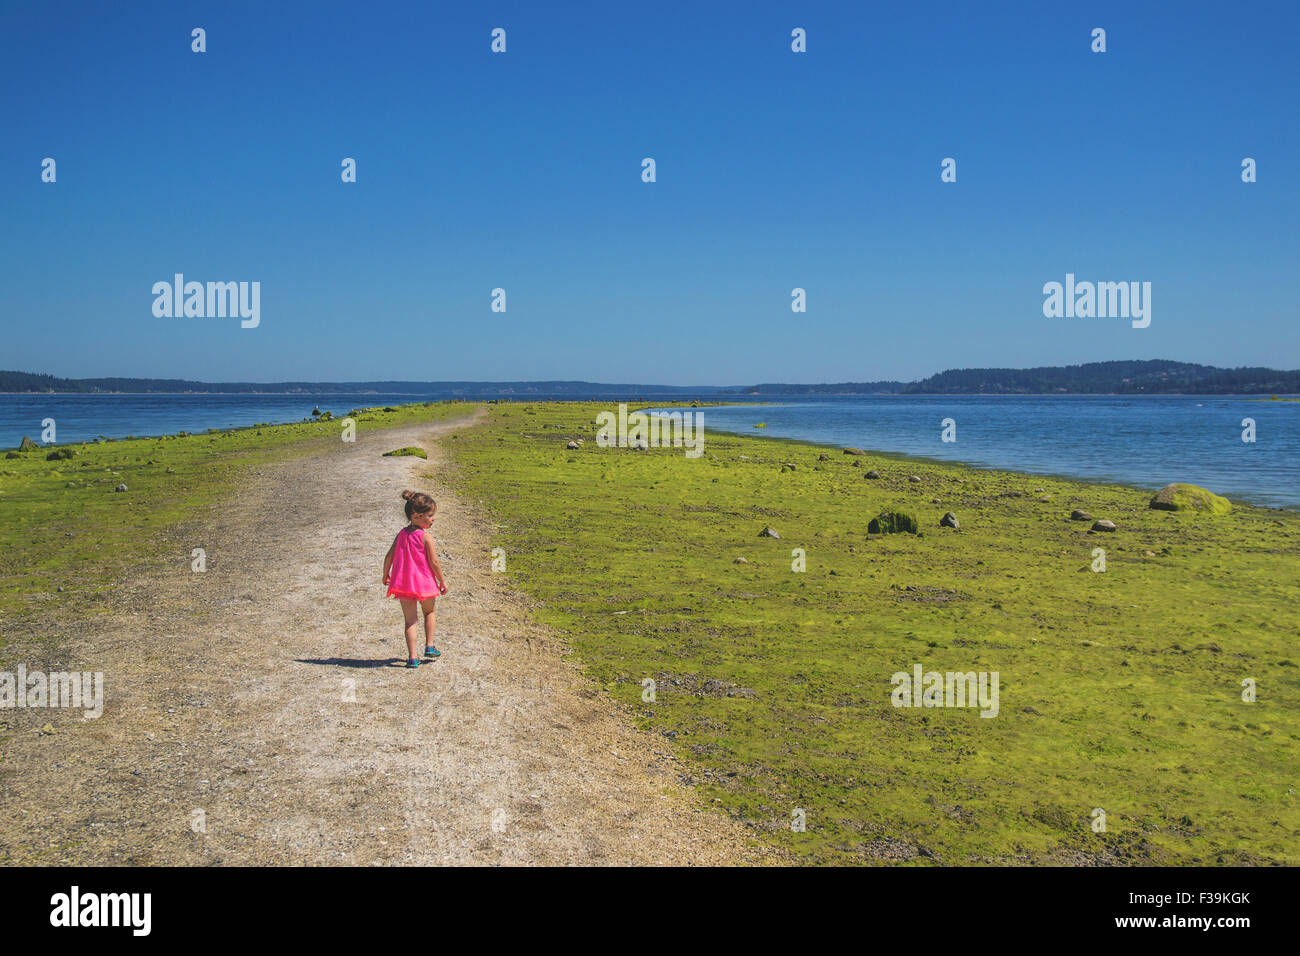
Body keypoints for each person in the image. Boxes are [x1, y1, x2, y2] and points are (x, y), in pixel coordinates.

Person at [382, 490, 448, 668]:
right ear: (418, 516)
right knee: (430, 612)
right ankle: (430, 645)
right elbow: (434, 562)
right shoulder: (426, 537)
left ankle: (412, 657)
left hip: (403, 584)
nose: (433, 519)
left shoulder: (402, 534)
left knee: (410, 621)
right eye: (430, 515)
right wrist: (442, 581)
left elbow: (389, 555)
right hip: (424, 583)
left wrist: (385, 573)